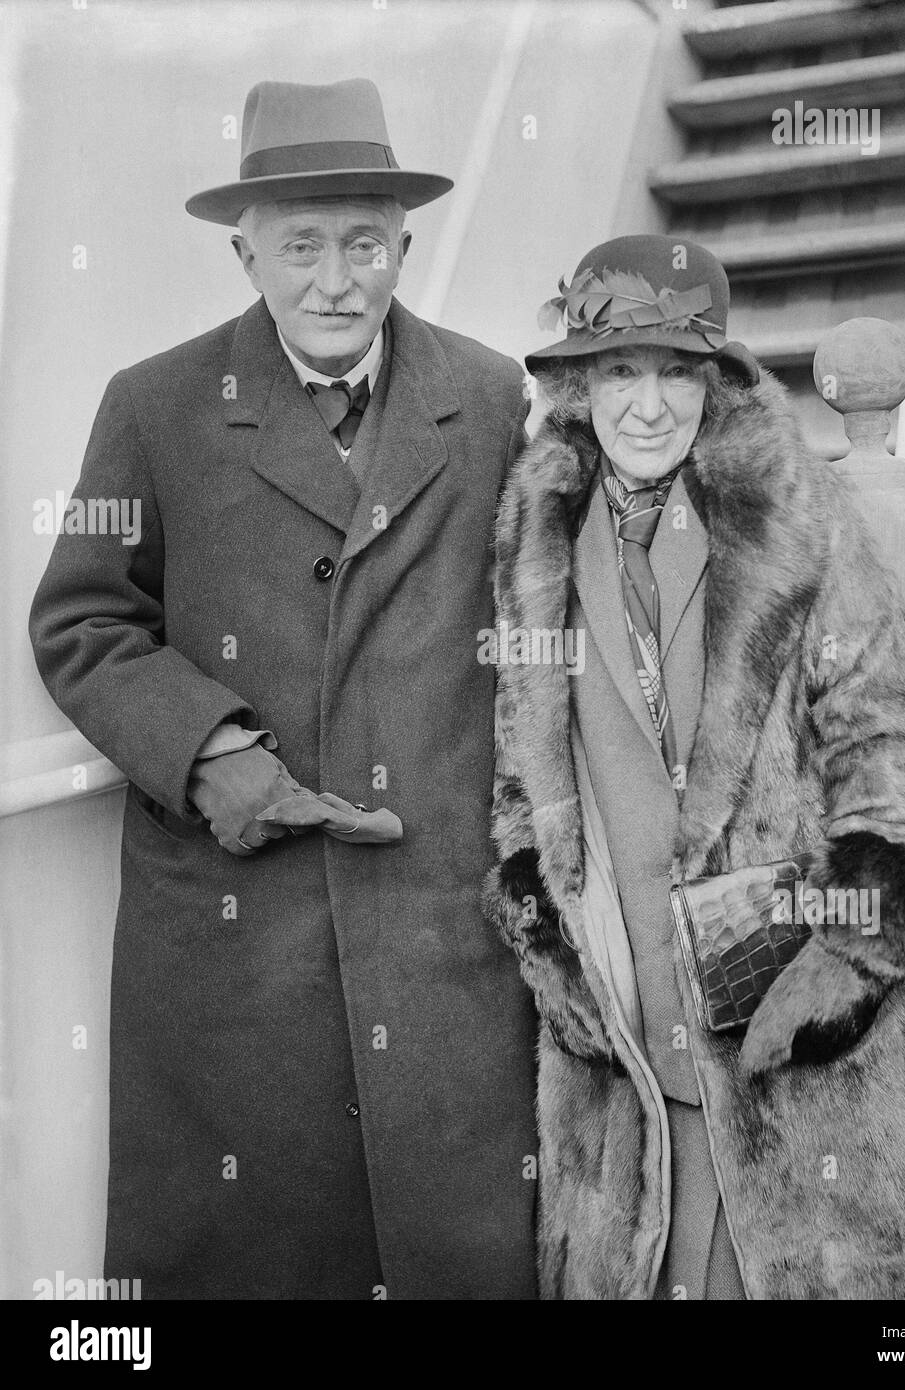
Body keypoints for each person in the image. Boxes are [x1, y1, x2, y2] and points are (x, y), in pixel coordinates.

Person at [28, 78, 537, 1299]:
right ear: (245, 246)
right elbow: (82, 616)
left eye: (364, 242)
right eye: (300, 244)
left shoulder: (497, 398)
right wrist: (212, 753)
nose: (334, 278)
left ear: (403, 246)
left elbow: (543, 620)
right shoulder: (152, 405)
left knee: (452, 1254)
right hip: (235, 937)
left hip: (437, 926)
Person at [485, 235, 905, 1299]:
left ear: (716, 380)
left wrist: (840, 959)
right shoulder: (536, 533)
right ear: (578, 386)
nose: (648, 405)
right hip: (622, 1058)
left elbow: (891, 758)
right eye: (620, 370)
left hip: (788, 1065)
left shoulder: (803, 523)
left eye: (675, 371)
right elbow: (519, 776)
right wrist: (550, 945)